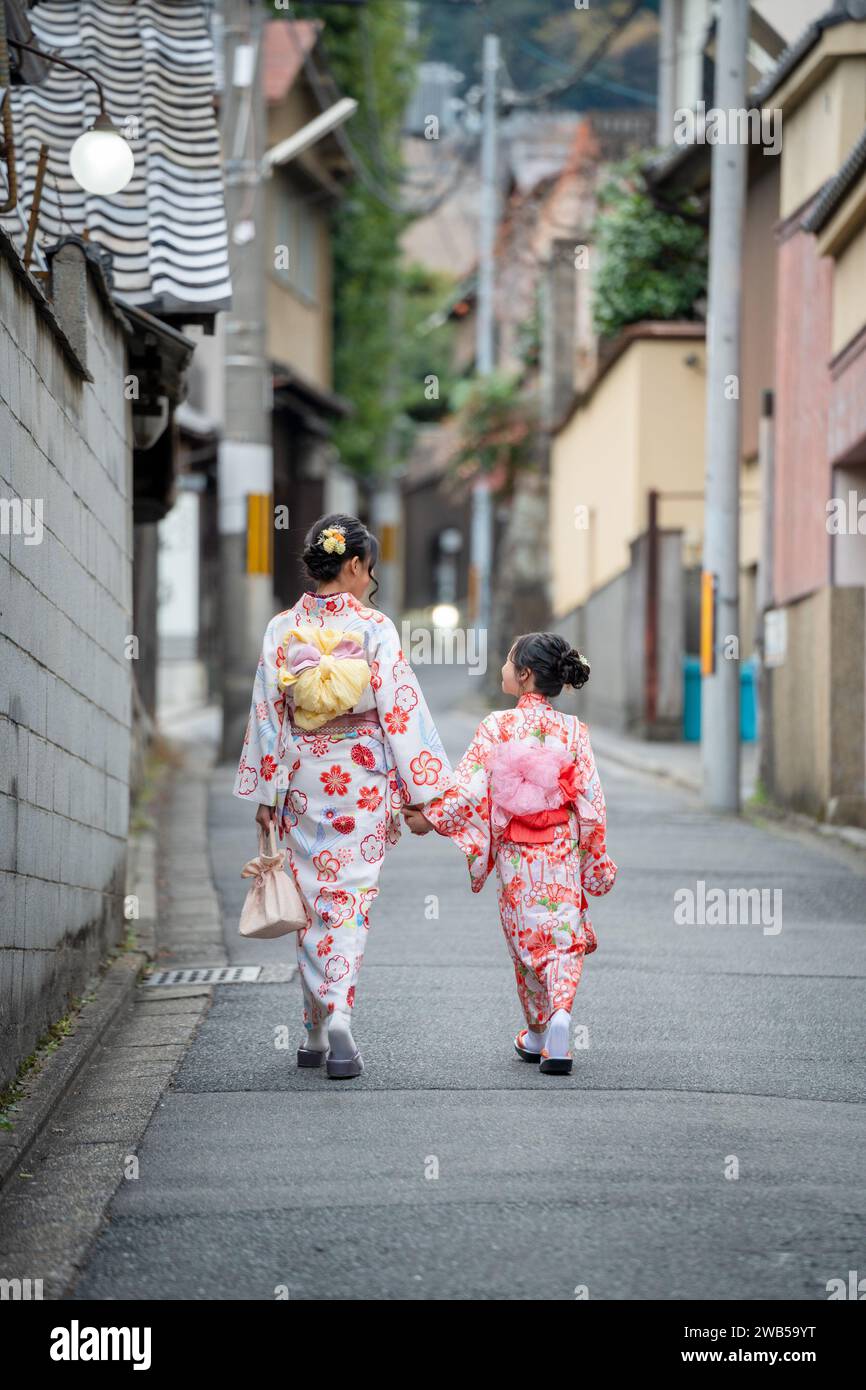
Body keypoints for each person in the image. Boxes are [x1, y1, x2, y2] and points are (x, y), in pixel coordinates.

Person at [233, 514, 453, 1078]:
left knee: (306, 901)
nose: (369, 580)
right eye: (369, 570)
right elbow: (400, 714)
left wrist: (266, 790)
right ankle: (337, 1021)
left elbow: (268, 712)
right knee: (347, 901)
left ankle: (312, 1029)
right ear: (354, 565)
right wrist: (421, 791)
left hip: (303, 776)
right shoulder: (375, 627)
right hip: (360, 780)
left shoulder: (283, 627)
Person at [404, 633, 616, 1075]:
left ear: (523, 675)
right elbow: (592, 803)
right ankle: (556, 1024)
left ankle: (538, 1029)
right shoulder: (574, 731)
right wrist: (595, 862)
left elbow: (467, 789)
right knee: (560, 937)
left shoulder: (496, 726)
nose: (502, 666)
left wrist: (430, 818)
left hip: (519, 855)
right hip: (559, 850)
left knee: (526, 942)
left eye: (507, 660)